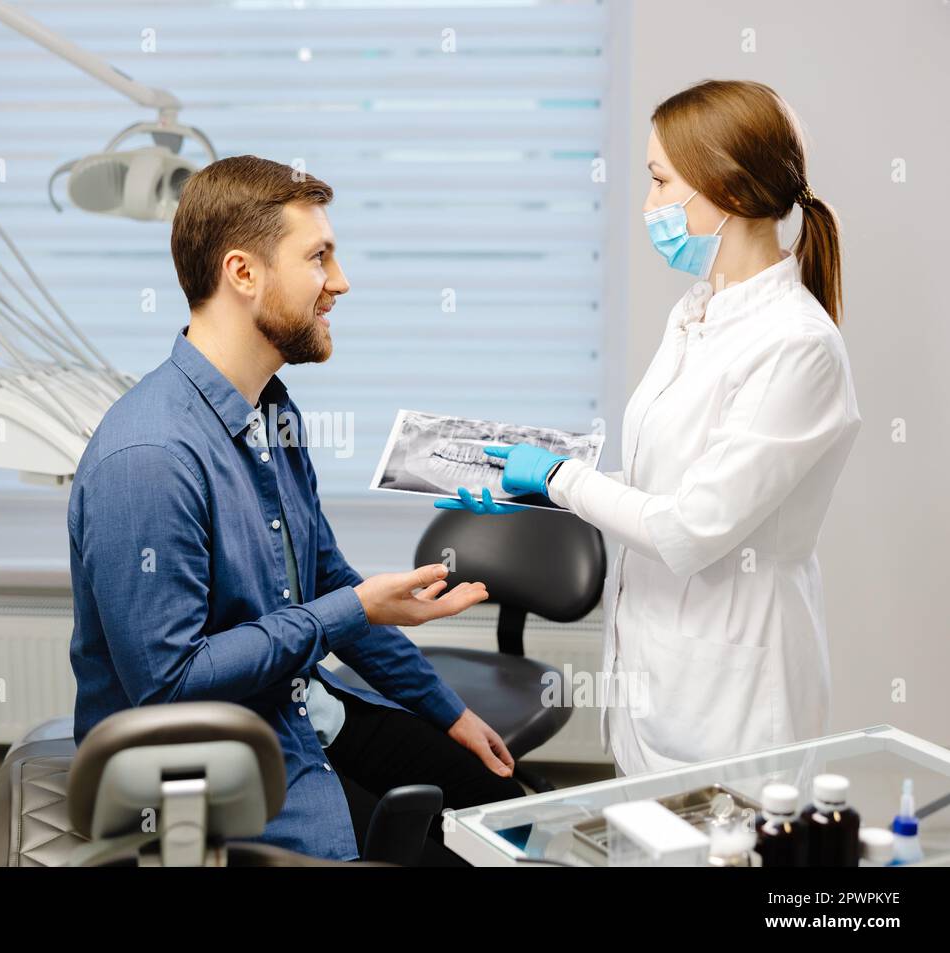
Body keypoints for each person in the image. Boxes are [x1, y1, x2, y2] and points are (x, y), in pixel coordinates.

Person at [68, 155, 527, 863]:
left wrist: (447, 711)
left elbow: (322, 583)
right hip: (212, 769)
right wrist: (354, 610)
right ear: (243, 274)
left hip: (304, 709)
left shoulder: (270, 413)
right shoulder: (152, 458)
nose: (339, 283)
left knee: (513, 817)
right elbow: (169, 687)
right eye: (319, 258)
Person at [440, 80, 861, 776]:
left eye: (660, 180)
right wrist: (539, 492)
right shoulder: (697, 311)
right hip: (655, 664)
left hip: (736, 691)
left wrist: (560, 477)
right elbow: (659, 488)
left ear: (722, 186)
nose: (648, 205)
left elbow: (689, 528)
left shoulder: (797, 346)